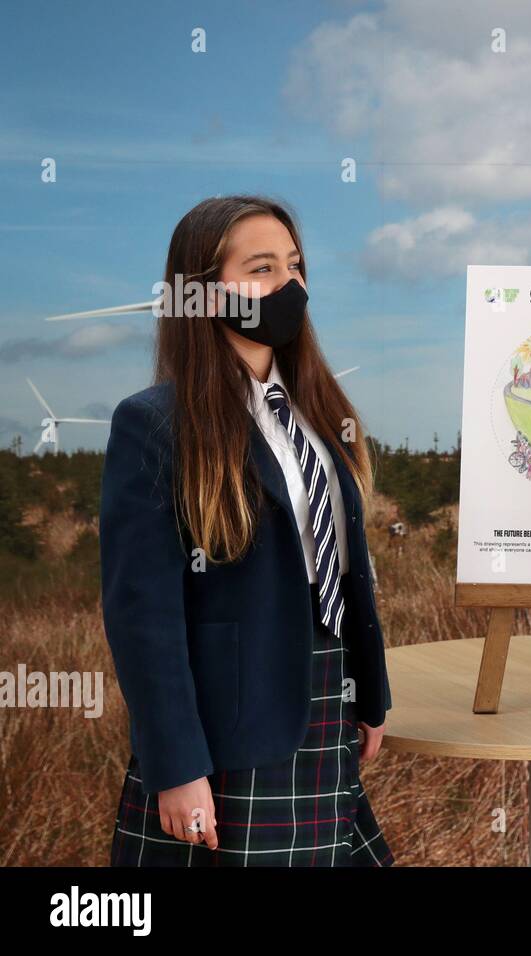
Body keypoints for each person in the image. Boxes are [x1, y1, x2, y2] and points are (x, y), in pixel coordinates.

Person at [102, 195, 395, 865]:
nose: (288, 284)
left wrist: (367, 692)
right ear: (202, 294)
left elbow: (344, 568)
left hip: (326, 699)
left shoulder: (320, 413)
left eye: (295, 266)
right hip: (231, 729)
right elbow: (143, 616)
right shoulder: (154, 424)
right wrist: (175, 768)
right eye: (261, 268)